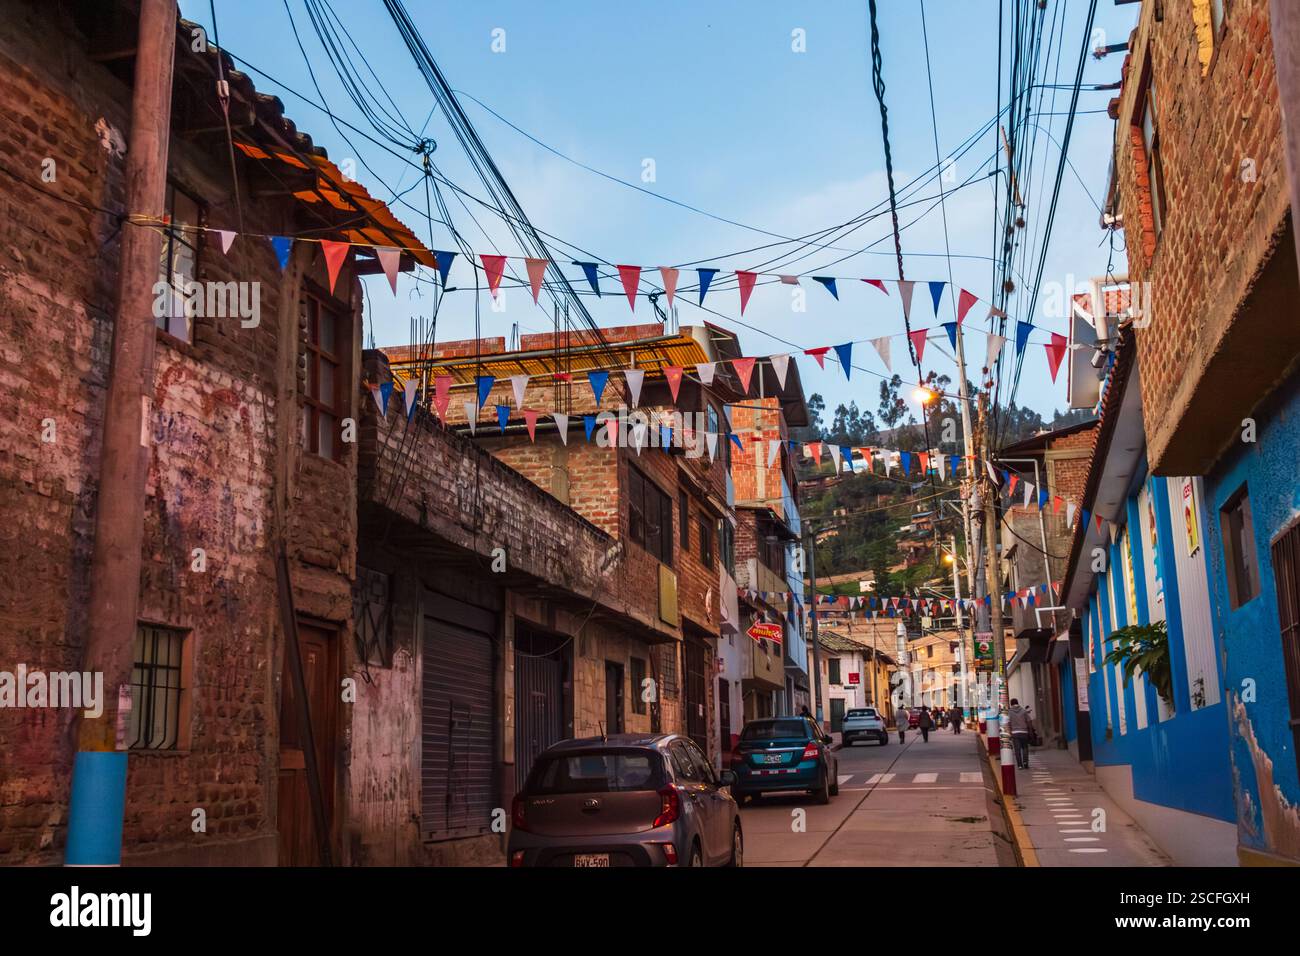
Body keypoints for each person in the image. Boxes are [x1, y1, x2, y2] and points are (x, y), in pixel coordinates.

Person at [1008, 698, 1034, 769]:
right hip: (1024, 732)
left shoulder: (1009, 712)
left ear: (1011, 704)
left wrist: (1010, 731)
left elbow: (1008, 722)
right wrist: (1030, 730)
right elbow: (1029, 721)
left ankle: (1019, 765)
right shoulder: (1023, 711)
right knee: (1025, 748)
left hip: (1015, 733)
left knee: (1017, 749)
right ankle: (1025, 762)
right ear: (1017, 703)